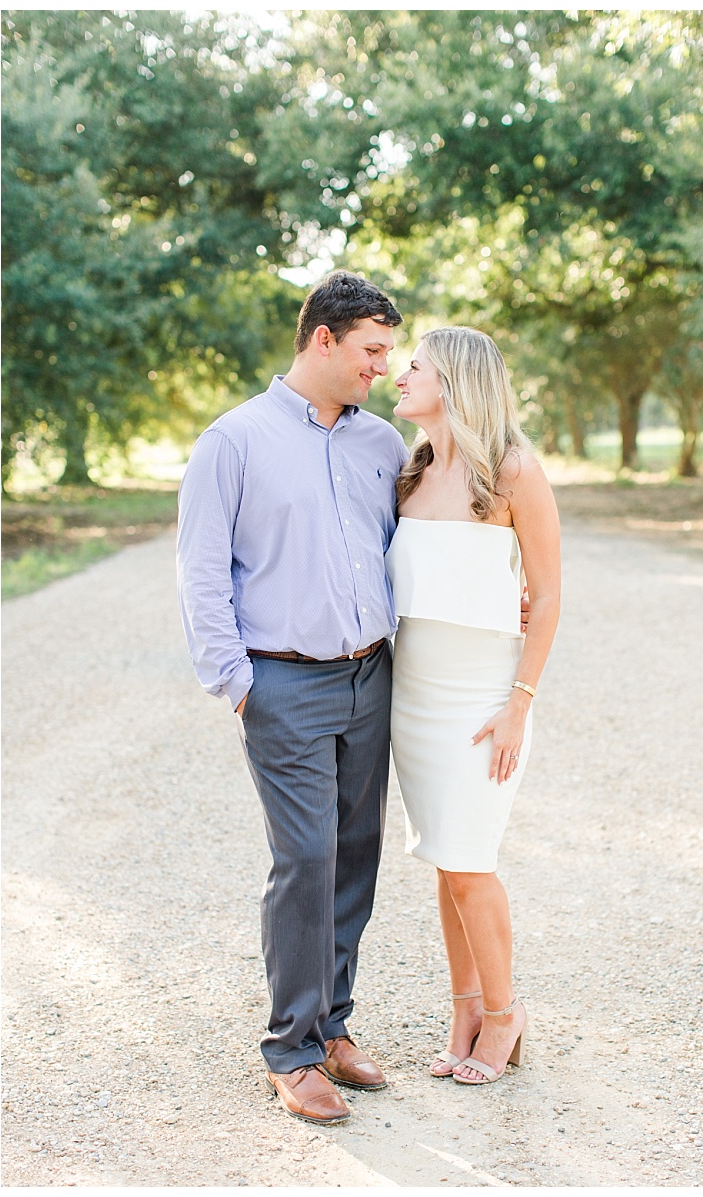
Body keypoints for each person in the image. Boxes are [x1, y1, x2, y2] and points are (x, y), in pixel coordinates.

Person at [178, 271, 407, 1125]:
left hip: (370, 675)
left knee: (356, 853)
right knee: (305, 857)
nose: (383, 366)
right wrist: (238, 683)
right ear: (323, 339)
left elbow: (413, 544)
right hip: (283, 680)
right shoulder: (231, 441)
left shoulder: (380, 443)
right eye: (372, 350)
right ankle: (291, 1049)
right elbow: (201, 570)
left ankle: (334, 1024)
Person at [387, 326, 561, 1085]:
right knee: (443, 860)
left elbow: (549, 594)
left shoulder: (515, 471)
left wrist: (519, 701)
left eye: (415, 366)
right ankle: (463, 1007)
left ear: (452, 381)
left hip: (483, 697)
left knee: (470, 862)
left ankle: (504, 1014)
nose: (400, 375)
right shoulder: (408, 473)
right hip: (412, 694)